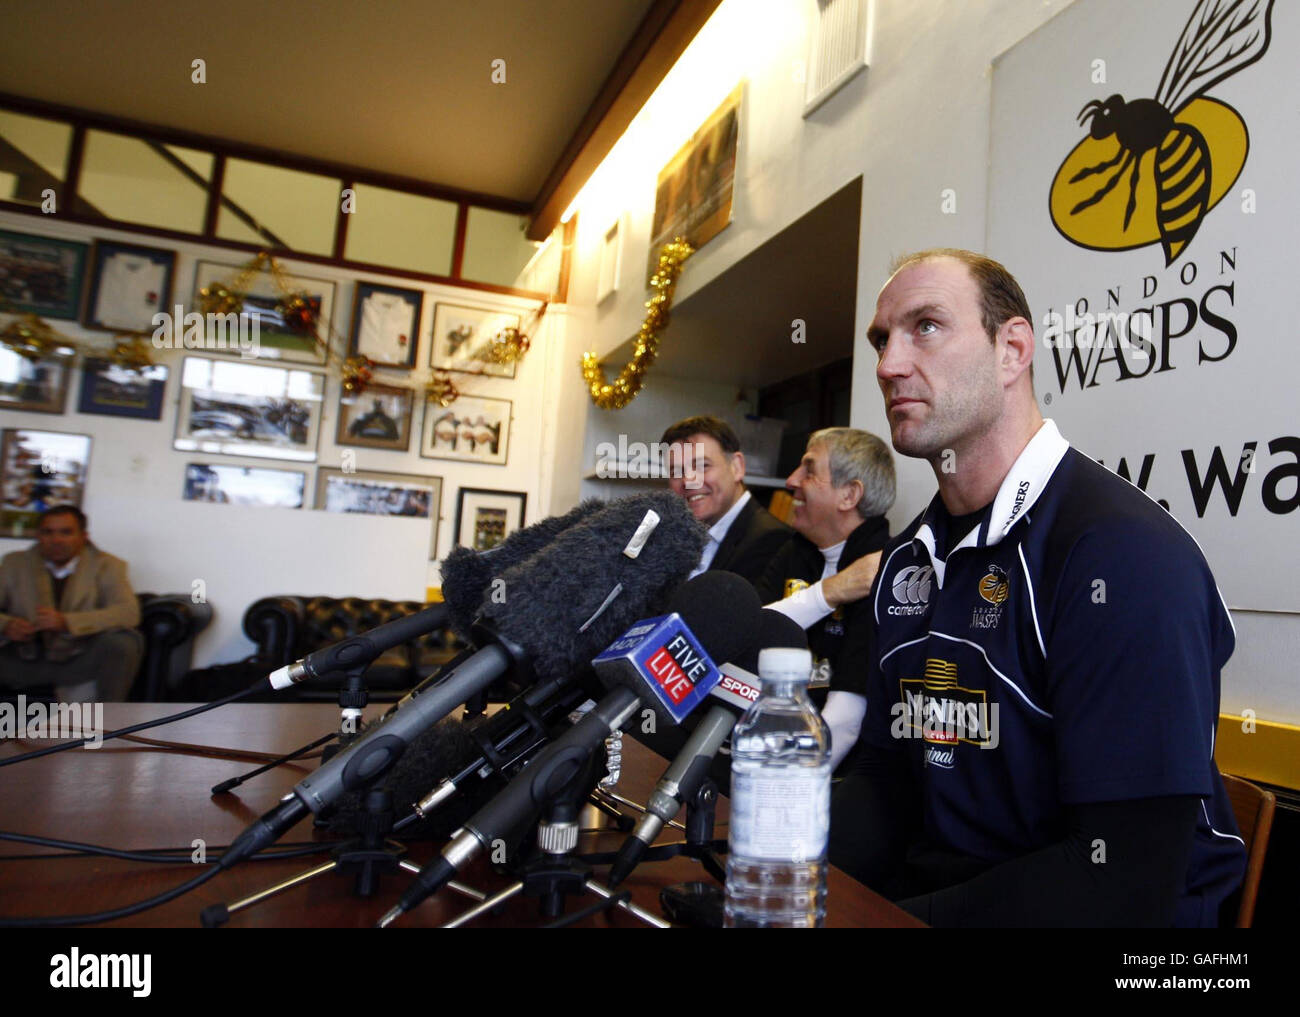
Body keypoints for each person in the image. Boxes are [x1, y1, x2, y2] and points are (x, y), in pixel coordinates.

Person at [830, 248, 1244, 927]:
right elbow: (887, 779)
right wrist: (781, 878)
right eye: (882, 339)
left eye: (926, 326)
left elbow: (1124, 877)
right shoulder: (909, 557)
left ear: (1012, 348)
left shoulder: (1122, 554)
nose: (888, 364)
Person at [756, 428, 895, 771]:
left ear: (849, 495)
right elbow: (749, 635)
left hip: (833, 774)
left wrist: (780, 785)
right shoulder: (794, 548)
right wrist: (828, 592)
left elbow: (847, 719)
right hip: (763, 738)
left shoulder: (886, 568)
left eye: (809, 470)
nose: (790, 481)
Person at [0, 505, 142, 702]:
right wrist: (6, 624)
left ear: (83, 536)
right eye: (48, 532)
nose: (56, 540)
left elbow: (128, 613)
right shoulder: (14, 563)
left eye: (66, 532)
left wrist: (67, 622)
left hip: (78, 660)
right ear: (38, 536)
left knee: (125, 641)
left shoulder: (108, 565)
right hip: (21, 659)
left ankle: (109, 722)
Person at [660, 415, 790, 587]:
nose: (688, 480)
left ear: (737, 467)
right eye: (676, 471)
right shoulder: (679, 537)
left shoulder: (772, 542)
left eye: (702, 466)